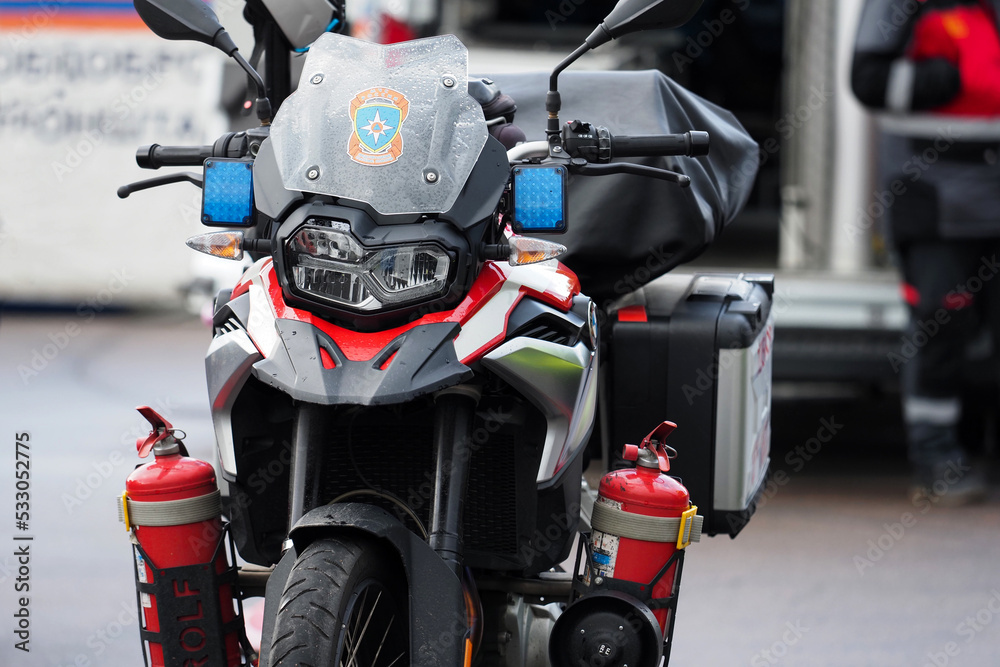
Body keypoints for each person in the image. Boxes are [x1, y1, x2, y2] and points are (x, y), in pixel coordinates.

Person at [851, 0, 1000, 504]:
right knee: (940, 326)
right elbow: (868, 80)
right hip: (934, 199)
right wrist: (948, 76)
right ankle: (936, 459)